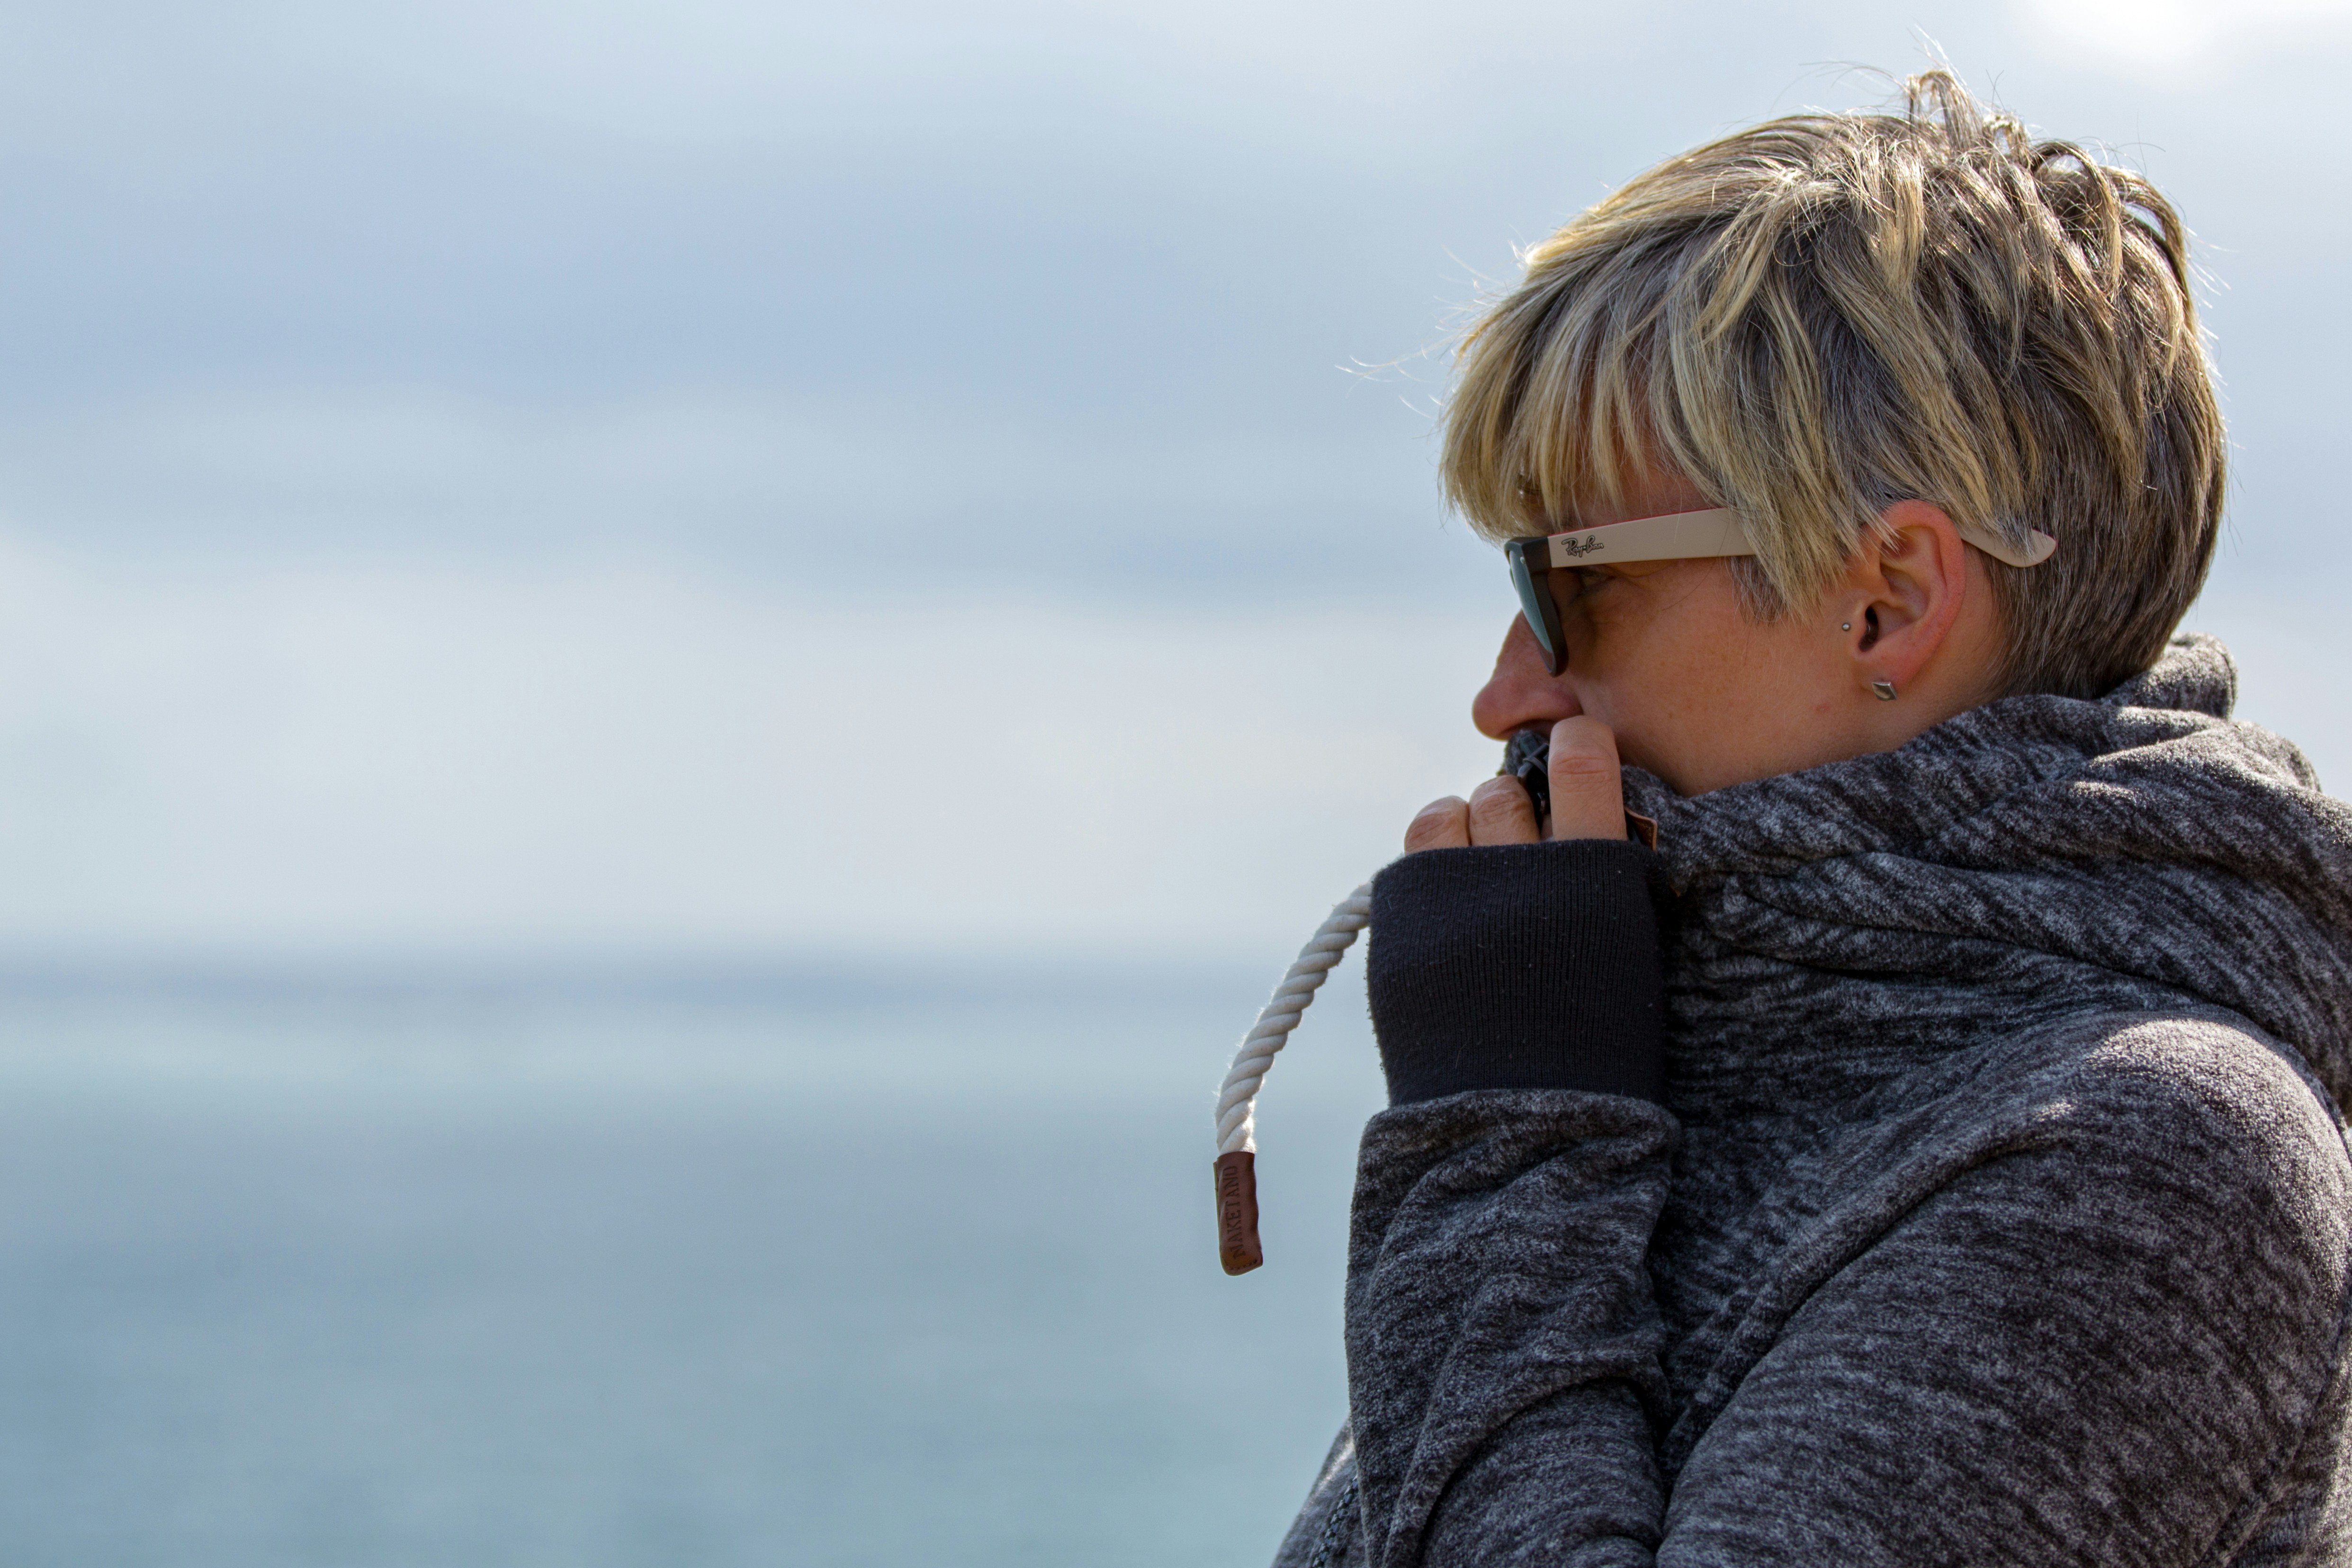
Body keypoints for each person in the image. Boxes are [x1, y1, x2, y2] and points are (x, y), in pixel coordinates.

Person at [1273, 72, 2352, 1567]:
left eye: (1570, 581)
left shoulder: (2150, 1153)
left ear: (1885, 601)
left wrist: (1502, 1148)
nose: (1506, 691)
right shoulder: (1681, 1061)